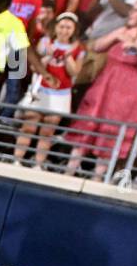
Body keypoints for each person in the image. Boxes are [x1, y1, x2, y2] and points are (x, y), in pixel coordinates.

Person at [64, 0, 137, 180]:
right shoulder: (123, 30)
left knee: (111, 135)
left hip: (128, 97)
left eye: (136, 10)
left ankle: (98, 178)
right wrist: (116, 36)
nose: (131, 13)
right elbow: (96, 46)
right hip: (104, 88)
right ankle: (69, 171)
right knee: (87, 126)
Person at [13, 12, 84, 168]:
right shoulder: (45, 42)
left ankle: (38, 164)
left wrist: (67, 56)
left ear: (74, 29)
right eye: (62, 26)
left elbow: (74, 72)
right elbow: (35, 66)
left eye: (68, 27)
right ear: (56, 27)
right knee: (29, 126)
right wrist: (48, 55)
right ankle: (17, 160)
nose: (64, 30)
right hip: (41, 89)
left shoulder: (79, 49)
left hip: (60, 93)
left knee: (48, 131)